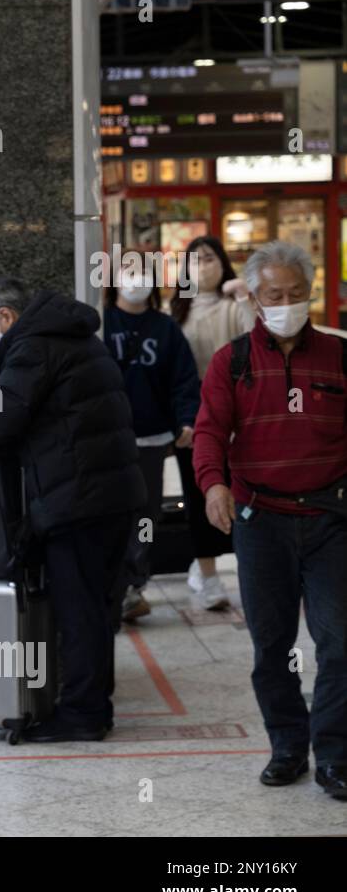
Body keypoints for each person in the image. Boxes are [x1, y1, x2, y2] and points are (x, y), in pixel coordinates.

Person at [0, 275, 145, 742]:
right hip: (114, 494)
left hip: (77, 499)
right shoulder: (75, 336)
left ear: (4, 316)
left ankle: (82, 715)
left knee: (79, 611)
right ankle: (95, 705)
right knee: (99, 607)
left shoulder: (32, 347)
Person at [192, 240, 347, 801]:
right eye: (275, 295)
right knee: (272, 645)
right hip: (261, 521)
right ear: (254, 297)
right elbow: (209, 429)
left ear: (311, 294)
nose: (287, 303)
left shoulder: (337, 355)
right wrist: (213, 483)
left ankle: (334, 756)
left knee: (339, 642)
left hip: (331, 517)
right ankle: (287, 748)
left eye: (297, 295)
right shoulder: (230, 362)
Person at [102, 260, 200, 622]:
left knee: (145, 516)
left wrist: (187, 421)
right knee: (109, 513)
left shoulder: (165, 329)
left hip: (152, 441)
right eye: (128, 271)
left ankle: (134, 586)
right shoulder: (101, 323)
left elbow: (184, 381)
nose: (136, 280)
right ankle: (108, 583)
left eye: (143, 272)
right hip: (106, 442)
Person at [171, 235, 254, 610]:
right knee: (200, 494)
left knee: (243, 495)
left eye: (209, 258)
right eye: (195, 260)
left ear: (223, 263)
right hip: (194, 422)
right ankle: (207, 576)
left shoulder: (233, 307)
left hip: (240, 420)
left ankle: (248, 566)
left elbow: (257, 338)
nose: (202, 265)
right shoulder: (174, 313)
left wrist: (244, 297)